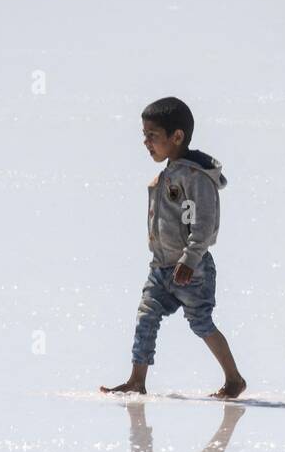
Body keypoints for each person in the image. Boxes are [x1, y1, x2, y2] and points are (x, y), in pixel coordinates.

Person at [101, 97, 247, 399]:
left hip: (192, 268)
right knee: (146, 315)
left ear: (177, 136)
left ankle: (234, 379)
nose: (146, 142)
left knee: (201, 322)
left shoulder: (195, 178)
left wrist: (190, 259)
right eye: (144, 135)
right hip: (161, 266)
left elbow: (204, 224)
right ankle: (136, 380)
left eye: (152, 135)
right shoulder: (167, 174)